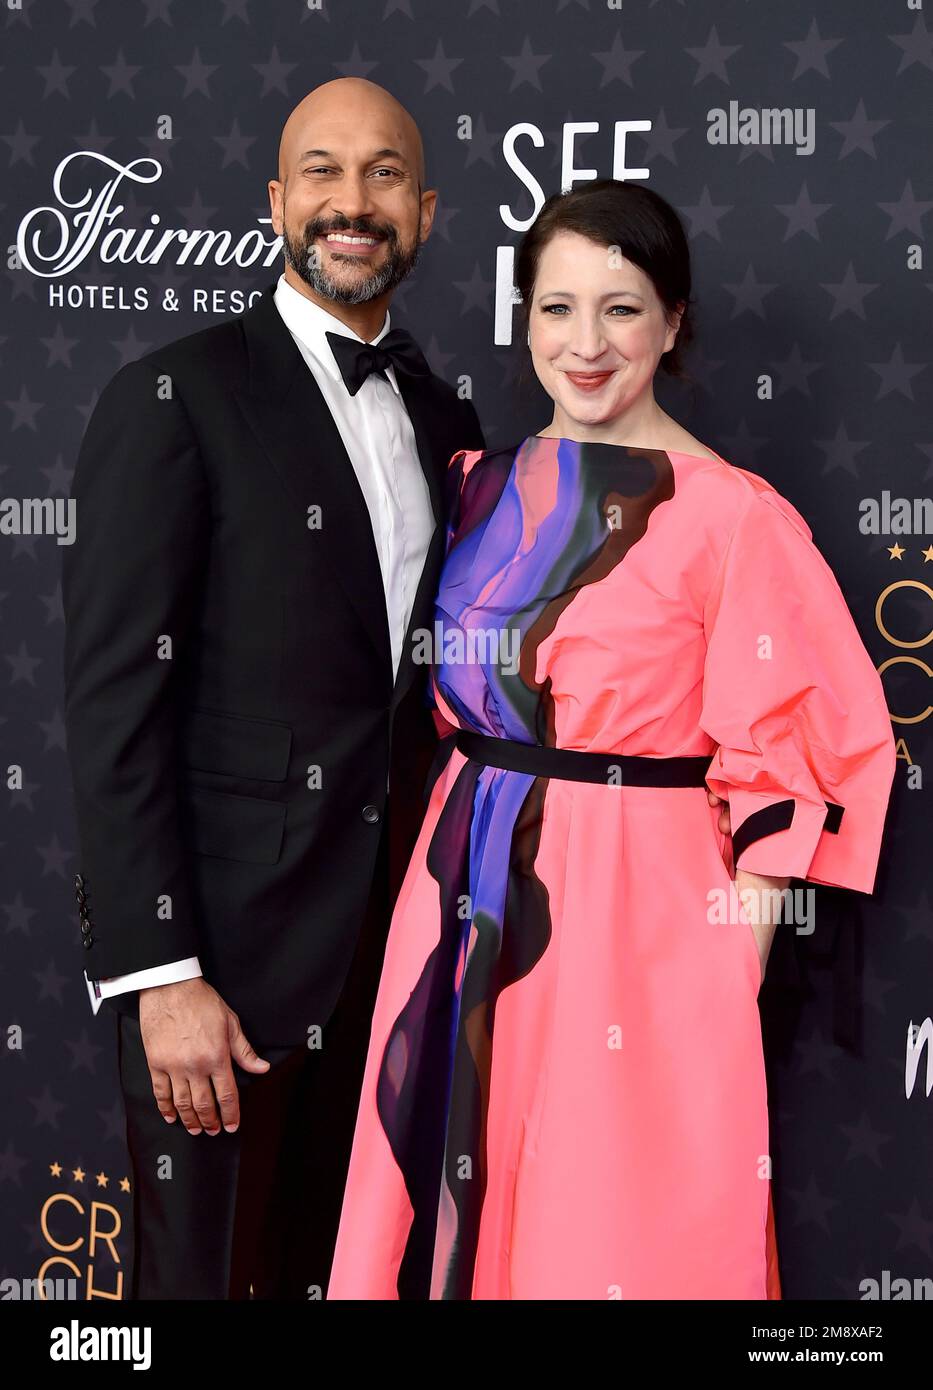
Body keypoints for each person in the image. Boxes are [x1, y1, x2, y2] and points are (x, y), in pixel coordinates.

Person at [326, 178, 897, 1300]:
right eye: (557, 307)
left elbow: (792, 767)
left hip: (645, 923)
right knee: (453, 1198)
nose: (586, 344)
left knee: (617, 1230)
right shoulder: (474, 487)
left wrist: (723, 973)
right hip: (462, 895)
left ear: (674, 322)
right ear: (523, 316)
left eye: (623, 308)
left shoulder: (734, 514)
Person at [62, 78, 484, 1299]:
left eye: (386, 174)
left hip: (386, 964)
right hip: (221, 979)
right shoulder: (175, 395)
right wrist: (160, 974)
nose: (352, 203)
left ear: (428, 208)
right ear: (276, 201)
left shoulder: (443, 413)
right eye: (322, 173)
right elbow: (111, 704)